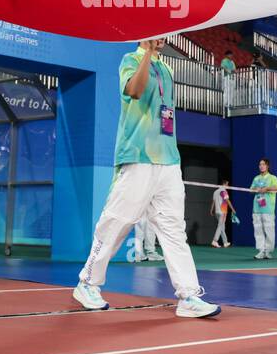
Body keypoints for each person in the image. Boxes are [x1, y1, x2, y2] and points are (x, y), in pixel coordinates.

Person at [74, 38, 220, 317]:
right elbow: (136, 91)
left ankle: (188, 296)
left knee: (173, 229)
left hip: (168, 160)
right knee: (117, 222)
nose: (163, 36)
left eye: (166, 32)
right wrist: (148, 54)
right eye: (157, 32)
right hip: (137, 156)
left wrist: (155, 57)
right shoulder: (130, 59)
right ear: (145, 34)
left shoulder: (167, 68)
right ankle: (87, 283)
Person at [250, 158, 277, 260]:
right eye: (260, 164)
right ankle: (261, 251)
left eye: (263, 164)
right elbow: (251, 190)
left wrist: (267, 188)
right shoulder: (256, 178)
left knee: (269, 230)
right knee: (258, 230)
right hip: (257, 209)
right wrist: (256, 189)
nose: (261, 166)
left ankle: (267, 251)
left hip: (268, 209)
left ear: (267, 166)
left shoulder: (272, 178)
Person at [210, 179, 232, 248]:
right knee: (220, 226)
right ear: (224, 184)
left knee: (222, 227)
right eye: (227, 184)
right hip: (223, 212)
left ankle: (225, 242)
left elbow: (213, 202)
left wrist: (211, 210)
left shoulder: (215, 191)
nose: (228, 186)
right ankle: (215, 241)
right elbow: (227, 200)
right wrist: (233, 209)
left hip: (217, 211)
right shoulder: (224, 191)